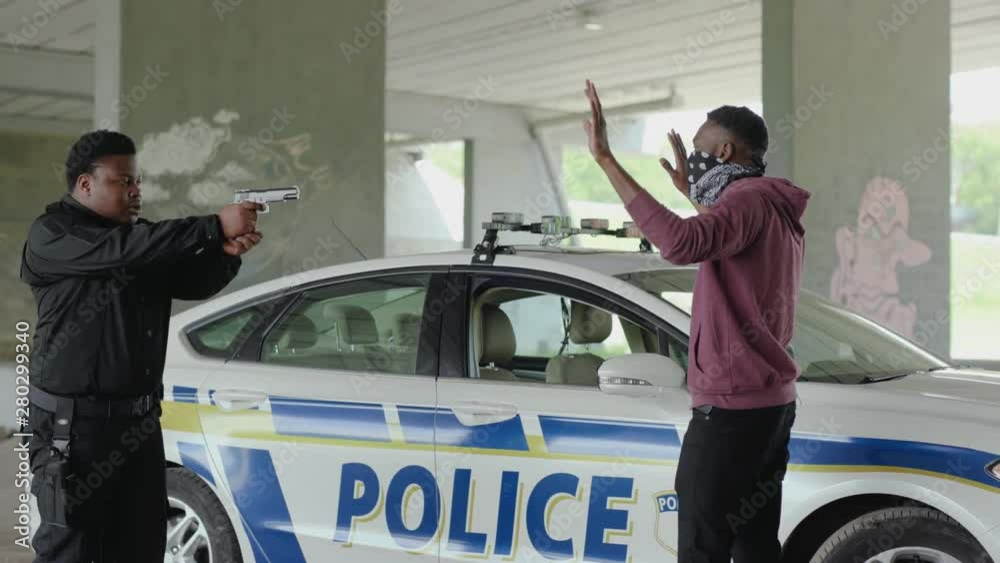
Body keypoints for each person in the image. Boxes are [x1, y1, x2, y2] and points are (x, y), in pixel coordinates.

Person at [583, 80, 810, 562]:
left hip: (730, 412)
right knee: (754, 547)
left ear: (726, 151)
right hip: (769, 407)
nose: (695, 156)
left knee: (701, 549)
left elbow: (682, 244)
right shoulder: (771, 207)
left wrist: (607, 160)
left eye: (701, 149)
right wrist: (693, 194)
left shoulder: (746, 203)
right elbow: (723, 239)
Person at [19, 130, 263, 562]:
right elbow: (123, 251)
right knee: (70, 551)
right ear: (85, 184)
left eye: (136, 181)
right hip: (73, 431)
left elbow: (191, 280)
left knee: (140, 548)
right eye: (123, 181)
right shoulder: (53, 235)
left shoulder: (136, 241)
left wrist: (225, 252)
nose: (135, 191)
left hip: (138, 428)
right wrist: (213, 225)